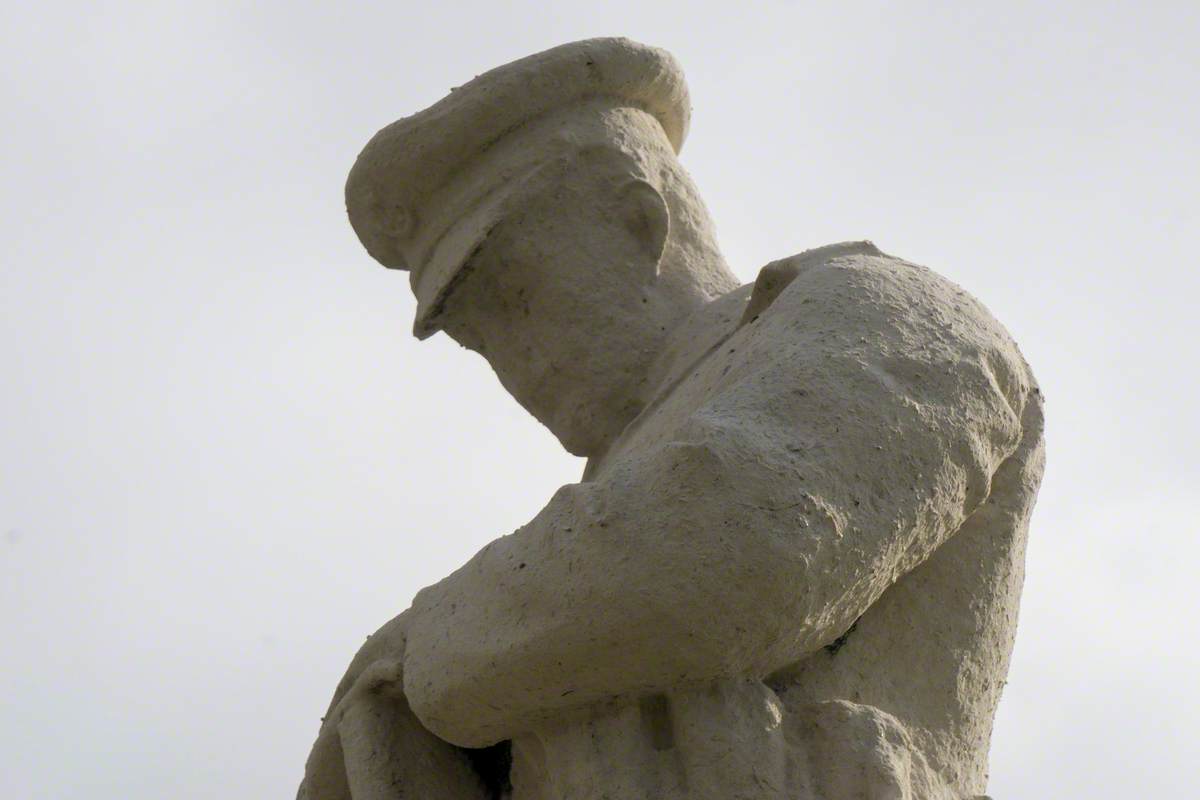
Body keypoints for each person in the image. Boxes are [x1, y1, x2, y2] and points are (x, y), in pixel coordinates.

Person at [298, 37, 1045, 800]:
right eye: (476, 340)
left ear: (639, 219)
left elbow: (734, 550)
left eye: (515, 297)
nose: (510, 365)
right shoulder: (595, 510)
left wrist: (421, 654)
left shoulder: (880, 308)